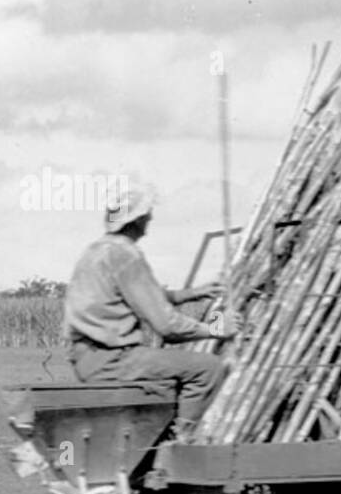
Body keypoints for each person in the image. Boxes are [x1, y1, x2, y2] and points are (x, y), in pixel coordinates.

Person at [62, 185, 239, 439]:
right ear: (136, 221)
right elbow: (167, 327)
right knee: (207, 368)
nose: (150, 219)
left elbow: (132, 297)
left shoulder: (96, 251)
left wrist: (191, 293)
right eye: (147, 215)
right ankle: (183, 441)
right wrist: (216, 329)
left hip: (87, 359)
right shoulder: (127, 256)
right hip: (115, 360)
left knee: (170, 372)